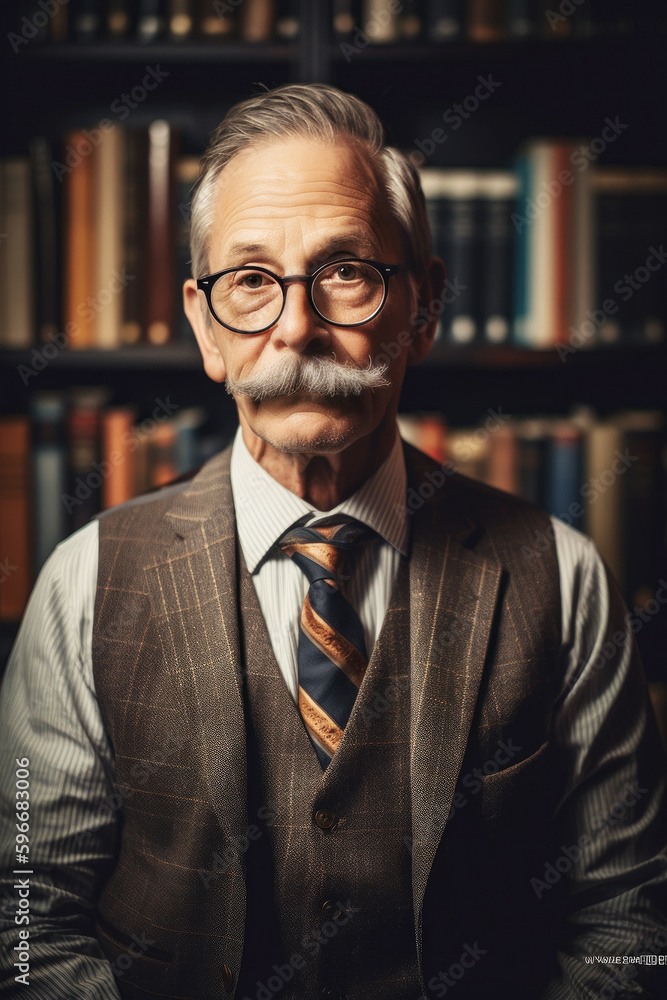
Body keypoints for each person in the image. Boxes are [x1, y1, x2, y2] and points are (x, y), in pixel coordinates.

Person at [1, 83, 666, 1000]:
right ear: (204, 325)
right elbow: (24, 913)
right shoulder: (83, 583)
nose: (295, 326)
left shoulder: (562, 577)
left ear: (422, 307)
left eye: (344, 270)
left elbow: (630, 922)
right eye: (249, 281)